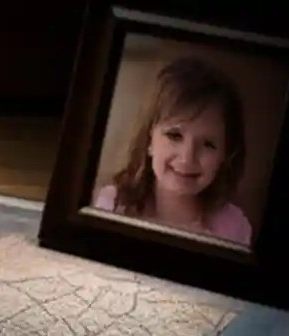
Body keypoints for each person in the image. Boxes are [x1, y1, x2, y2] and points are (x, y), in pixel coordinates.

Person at [92, 56, 252, 247]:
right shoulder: (113, 205)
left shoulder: (234, 229)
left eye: (208, 144)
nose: (187, 158)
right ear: (149, 140)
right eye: (175, 136)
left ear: (225, 156)